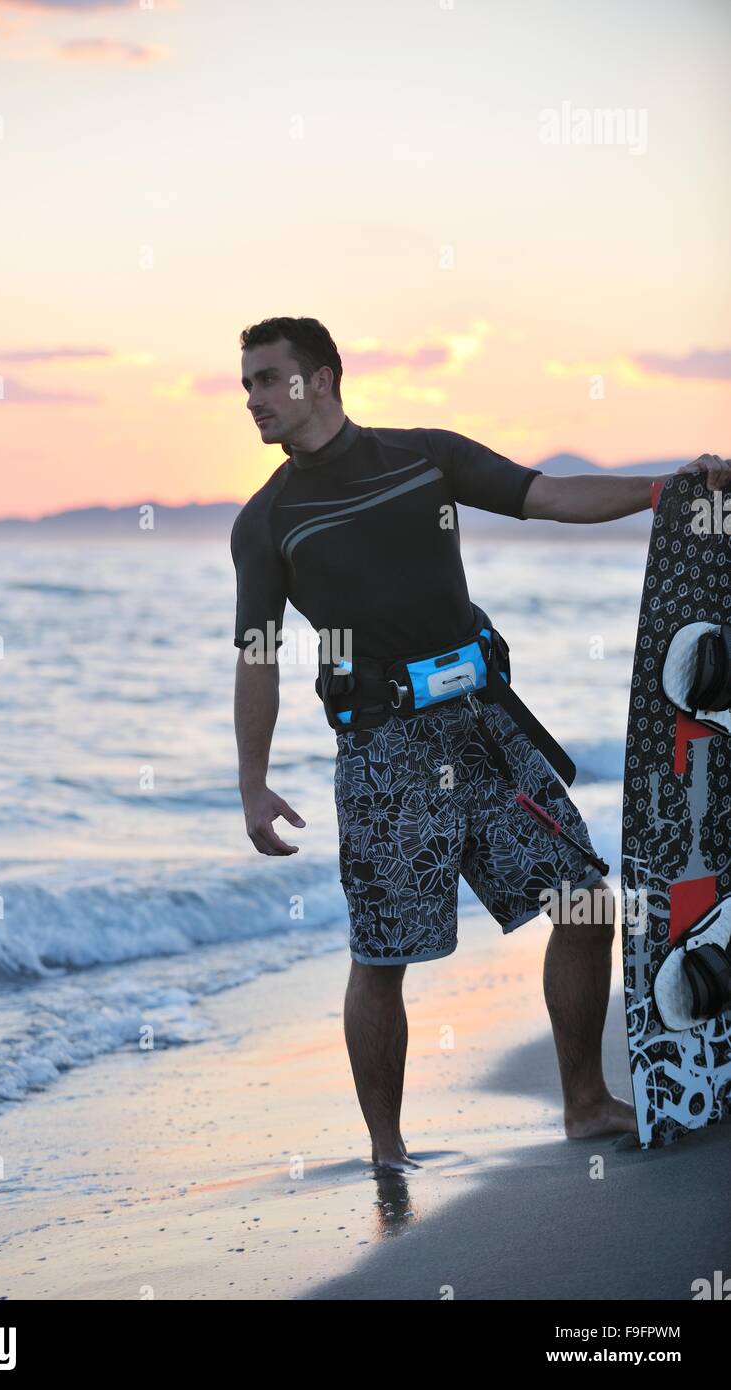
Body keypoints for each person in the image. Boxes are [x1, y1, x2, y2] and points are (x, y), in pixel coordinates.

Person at [231, 314, 731, 1169]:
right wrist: (253, 782)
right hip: (384, 752)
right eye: (246, 384)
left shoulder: (424, 456)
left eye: (268, 379)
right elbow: (260, 657)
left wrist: (663, 490)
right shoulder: (270, 520)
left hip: (486, 728)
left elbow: (546, 496)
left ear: (320, 379)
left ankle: (583, 1103)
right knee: (383, 956)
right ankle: (387, 1151)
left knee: (585, 900)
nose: (253, 400)